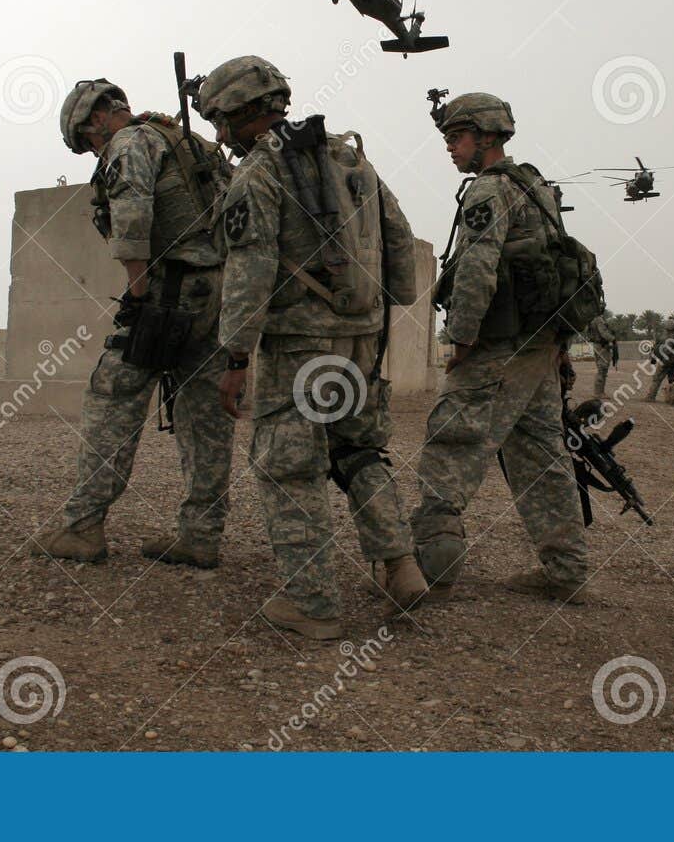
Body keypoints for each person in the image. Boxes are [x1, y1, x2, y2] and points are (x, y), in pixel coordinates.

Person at [195, 56, 427, 639]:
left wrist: (236, 358)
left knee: (289, 468)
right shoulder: (350, 157)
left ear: (243, 111)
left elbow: (250, 269)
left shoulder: (260, 171)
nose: (219, 136)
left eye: (220, 121)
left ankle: (313, 604)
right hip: (361, 339)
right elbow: (399, 241)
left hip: (299, 346)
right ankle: (400, 565)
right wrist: (377, 312)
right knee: (359, 451)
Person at [28, 79, 235, 568]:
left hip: (169, 294)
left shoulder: (129, 143)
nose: (93, 150)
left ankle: (83, 528)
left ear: (98, 118)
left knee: (112, 397)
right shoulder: (185, 139)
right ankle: (201, 535)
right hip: (219, 292)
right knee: (205, 413)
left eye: (87, 141)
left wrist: (138, 297)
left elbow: (133, 220)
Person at [410, 92, 592, 604]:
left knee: (451, 443)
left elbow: (476, 268)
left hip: (499, 345)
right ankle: (567, 572)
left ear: (486, 136)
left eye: (457, 137)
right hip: (539, 345)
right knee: (541, 456)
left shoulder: (489, 189)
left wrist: (462, 338)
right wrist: (560, 345)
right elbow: (558, 268)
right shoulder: (537, 187)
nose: (449, 147)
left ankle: (429, 574)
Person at [644, 316, 674, 402]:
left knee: (657, 379)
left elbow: (655, 349)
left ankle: (651, 397)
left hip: (664, 362)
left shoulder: (661, 337)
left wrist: (653, 360)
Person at [587, 312, 619, 399]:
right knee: (602, 369)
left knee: (602, 369)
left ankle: (600, 392)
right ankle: (598, 393)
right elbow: (603, 333)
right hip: (602, 346)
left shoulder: (592, 319)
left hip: (598, 345)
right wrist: (613, 339)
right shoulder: (599, 319)